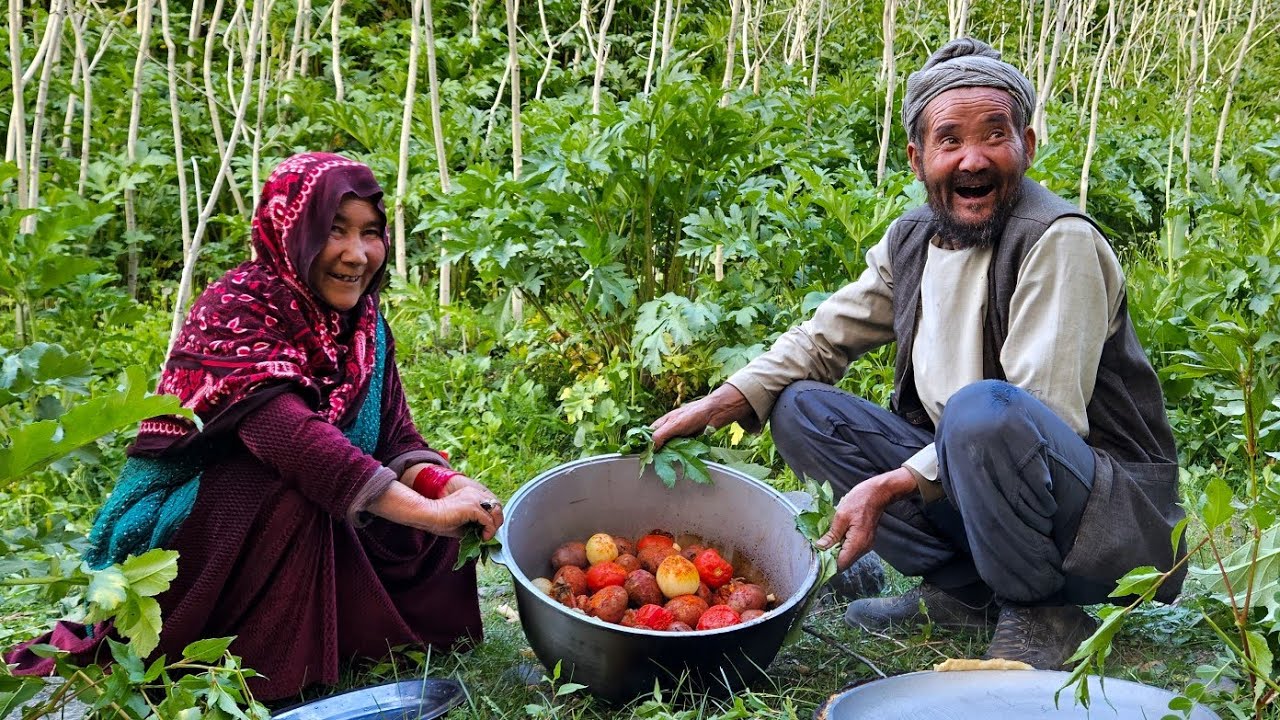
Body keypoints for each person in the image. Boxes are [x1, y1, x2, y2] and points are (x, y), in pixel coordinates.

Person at [651, 39, 1183, 670]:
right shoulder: (913, 241)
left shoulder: (1056, 240)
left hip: (1101, 521)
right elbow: (822, 338)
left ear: (1028, 146)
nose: (972, 159)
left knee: (981, 412)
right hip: (979, 476)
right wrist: (722, 401)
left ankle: (1043, 611)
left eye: (994, 134)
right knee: (798, 409)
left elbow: (1041, 413)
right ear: (917, 158)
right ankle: (966, 593)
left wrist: (898, 481)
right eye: (949, 139)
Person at [6, 152, 504, 701]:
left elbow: (395, 438)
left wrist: (445, 486)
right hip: (182, 523)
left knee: (397, 504)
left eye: (370, 233)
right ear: (290, 233)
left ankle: (359, 634)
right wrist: (429, 513)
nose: (356, 255)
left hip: (304, 502)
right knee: (290, 486)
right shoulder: (233, 310)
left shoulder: (364, 324)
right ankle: (262, 667)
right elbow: (298, 446)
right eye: (334, 230)